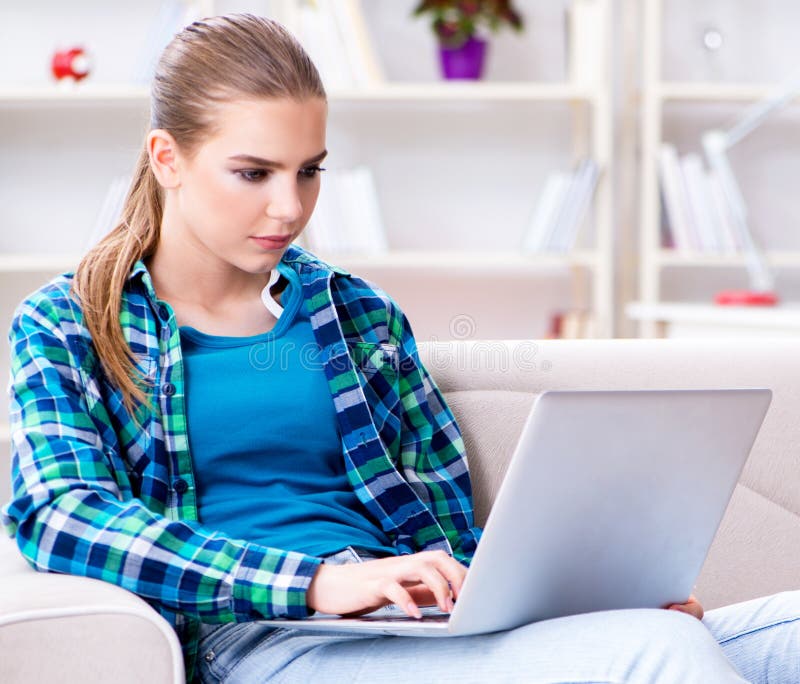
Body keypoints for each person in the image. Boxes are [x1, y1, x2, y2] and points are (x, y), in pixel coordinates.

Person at [1, 13, 799, 684]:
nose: (290, 207)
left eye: (309, 171)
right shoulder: (66, 322)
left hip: (421, 624)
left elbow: (444, 531)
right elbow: (62, 517)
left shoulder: (356, 313)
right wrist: (321, 582)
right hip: (268, 639)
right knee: (662, 652)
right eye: (253, 173)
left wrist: (590, 598)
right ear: (166, 157)